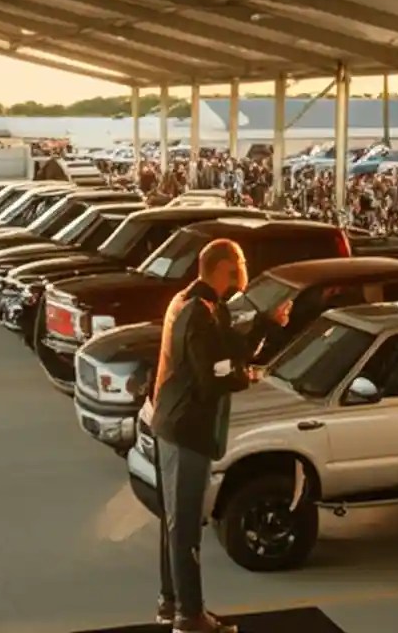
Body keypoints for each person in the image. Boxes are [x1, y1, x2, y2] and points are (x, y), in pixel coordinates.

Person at [150, 240, 253, 633]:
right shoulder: (199, 311)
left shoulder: (191, 302)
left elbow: (230, 346)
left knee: (175, 523)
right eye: (240, 262)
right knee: (186, 527)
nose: (244, 268)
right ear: (225, 266)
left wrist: (265, 324)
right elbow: (210, 378)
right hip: (186, 430)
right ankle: (189, 616)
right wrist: (241, 377)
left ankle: (171, 602)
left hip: (171, 423)